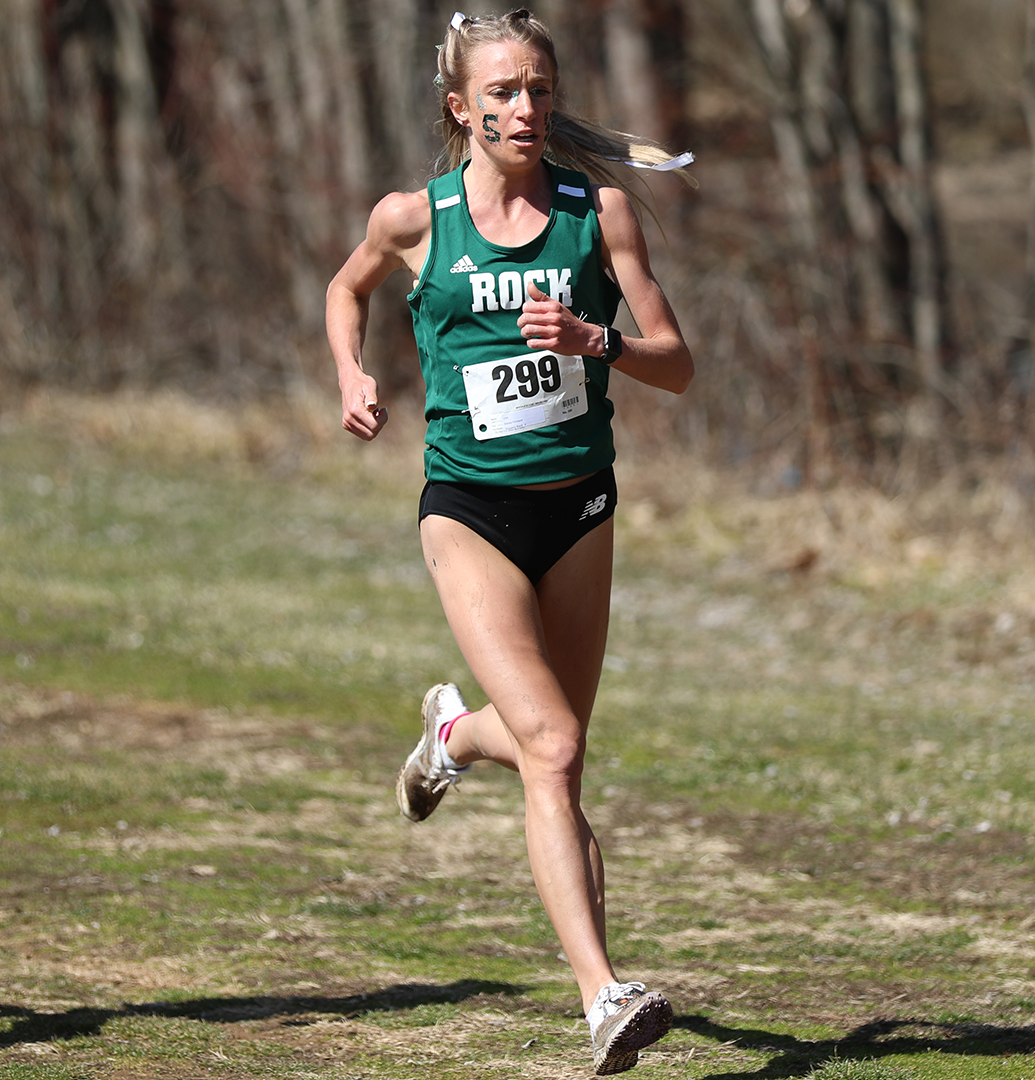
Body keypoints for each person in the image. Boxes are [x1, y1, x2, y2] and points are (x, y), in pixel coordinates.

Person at [326, 10, 694, 1075]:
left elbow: (675, 362)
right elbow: (346, 290)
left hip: (579, 509)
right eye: (501, 94)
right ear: (462, 107)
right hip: (470, 514)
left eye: (537, 89)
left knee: (550, 750)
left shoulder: (600, 212)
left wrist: (599, 341)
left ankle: (449, 740)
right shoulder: (415, 217)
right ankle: (604, 996)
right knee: (557, 745)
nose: (524, 109)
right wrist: (354, 374)